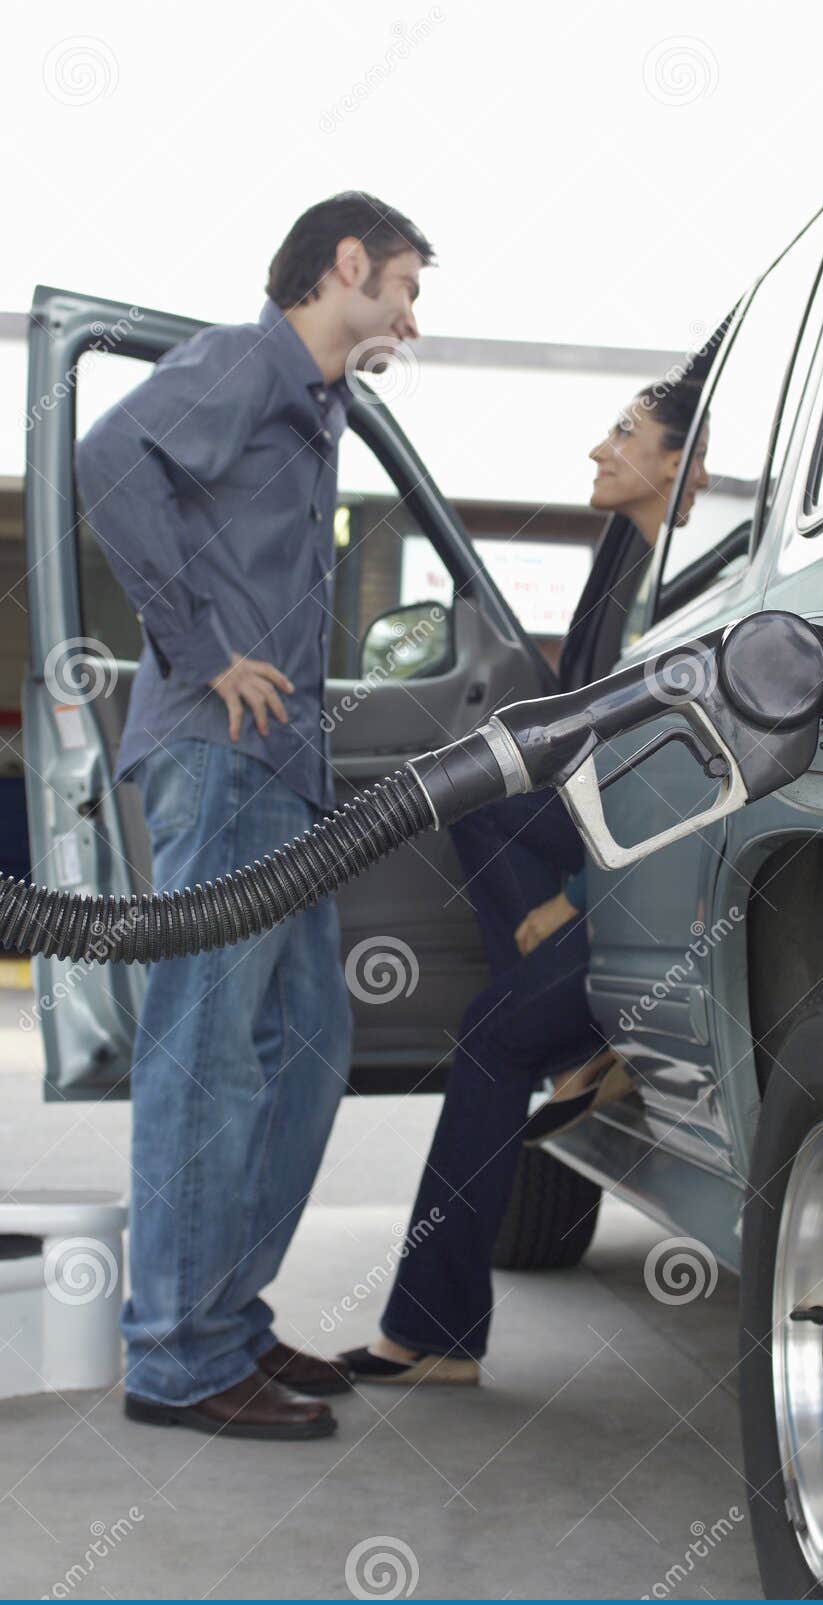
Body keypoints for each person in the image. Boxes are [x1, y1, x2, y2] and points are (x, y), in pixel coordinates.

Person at [76, 192, 434, 1440]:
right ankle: (176, 1357)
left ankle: (223, 1314)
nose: (411, 315)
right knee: (206, 1049)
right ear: (346, 265)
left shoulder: (318, 404)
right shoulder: (244, 360)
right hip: (221, 755)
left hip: (282, 769)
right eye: (403, 288)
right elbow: (108, 459)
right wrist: (204, 648)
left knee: (311, 1041)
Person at [339, 375, 709, 1385]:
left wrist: (575, 901)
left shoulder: (693, 595)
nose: (599, 449)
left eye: (623, 434)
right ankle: (581, 1041)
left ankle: (434, 1335)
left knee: (490, 1039)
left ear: (680, 462)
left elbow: (672, 783)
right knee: (466, 793)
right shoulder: (627, 568)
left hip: (664, 894)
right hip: (615, 860)